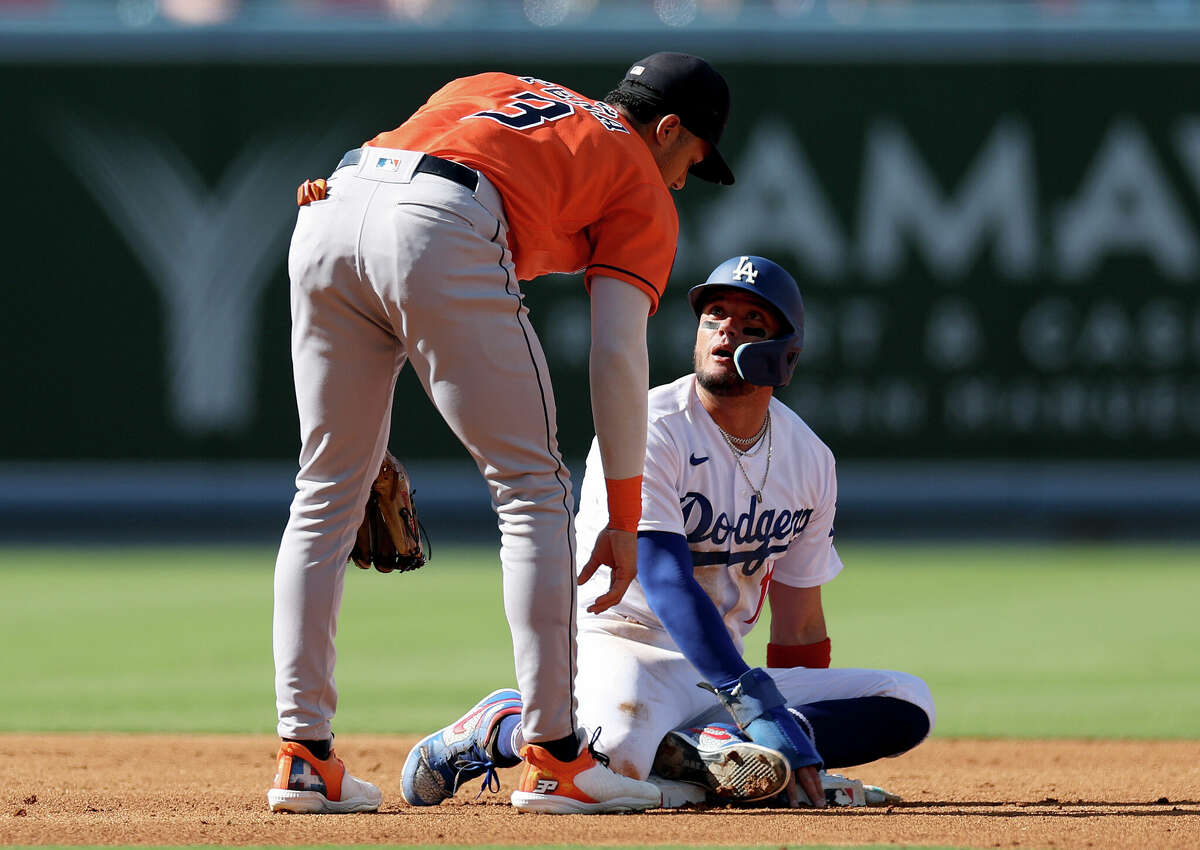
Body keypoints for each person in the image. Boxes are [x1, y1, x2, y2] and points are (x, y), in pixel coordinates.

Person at [268, 54, 737, 815]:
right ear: (670, 129)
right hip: (439, 222)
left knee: (325, 491)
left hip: (332, 201)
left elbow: (404, 162)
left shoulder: (499, 85)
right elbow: (618, 353)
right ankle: (556, 759)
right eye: (691, 159)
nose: (683, 178)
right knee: (532, 492)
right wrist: (623, 516)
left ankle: (304, 761)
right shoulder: (640, 179)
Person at [401, 256, 936, 810]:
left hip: (718, 669)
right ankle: (507, 722)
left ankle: (710, 749)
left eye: (752, 325)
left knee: (908, 702)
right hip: (622, 645)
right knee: (605, 774)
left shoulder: (810, 459)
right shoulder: (648, 426)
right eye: (714, 317)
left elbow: (799, 622)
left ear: (787, 355)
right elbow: (663, 578)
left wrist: (795, 728)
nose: (725, 331)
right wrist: (759, 706)